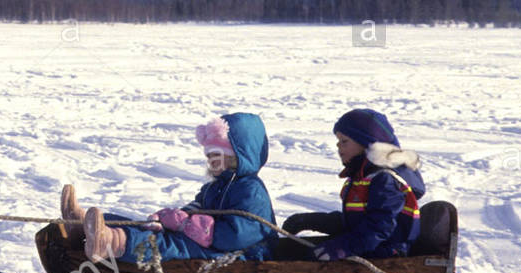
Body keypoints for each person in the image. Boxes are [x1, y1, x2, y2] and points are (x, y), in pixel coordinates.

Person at [61, 113, 276, 263]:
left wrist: (184, 225)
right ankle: (86, 225)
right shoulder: (215, 187)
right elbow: (197, 208)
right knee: (149, 228)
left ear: (240, 158)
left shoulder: (251, 191)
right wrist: (171, 218)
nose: (211, 162)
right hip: (212, 245)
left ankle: (110, 242)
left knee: (168, 245)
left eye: (218, 156)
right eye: (209, 156)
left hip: (241, 255)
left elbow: (237, 236)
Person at [277, 108, 424, 261]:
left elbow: (380, 227)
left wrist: (341, 248)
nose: (338, 146)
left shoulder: (384, 180)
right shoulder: (362, 178)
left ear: (367, 144)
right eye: (338, 141)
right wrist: (310, 220)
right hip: (368, 250)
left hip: (385, 256)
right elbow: (355, 223)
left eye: (344, 141)